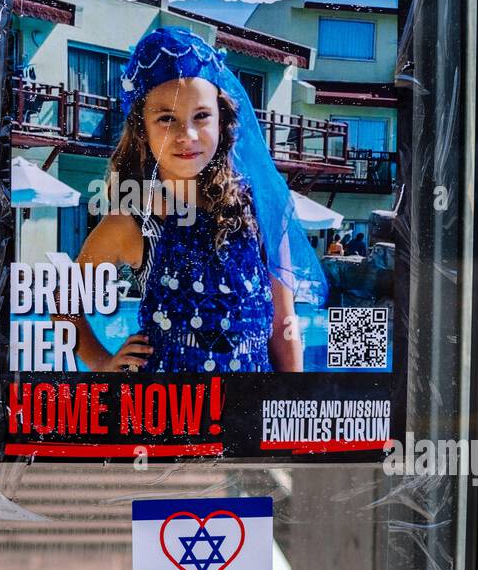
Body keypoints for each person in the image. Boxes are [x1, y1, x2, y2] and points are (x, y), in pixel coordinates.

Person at [56, 26, 326, 373]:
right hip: (164, 416)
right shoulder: (131, 222)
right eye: (167, 119)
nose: (187, 135)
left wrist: (287, 414)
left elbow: (283, 327)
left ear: (222, 119)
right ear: (143, 129)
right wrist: (102, 362)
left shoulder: (261, 209)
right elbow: (63, 299)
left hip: (247, 410)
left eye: (201, 116)